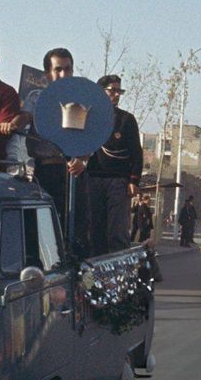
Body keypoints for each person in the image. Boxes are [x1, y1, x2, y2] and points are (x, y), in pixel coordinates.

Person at [28, 47, 90, 257]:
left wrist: (83, 160)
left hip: (73, 173)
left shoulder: (82, 102)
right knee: (46, 230)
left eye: (67, 69)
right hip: (45, 173)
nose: (63, 74)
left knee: (77, 230)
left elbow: (92, 136)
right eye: (57, 70)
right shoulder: (35, 101)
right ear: (47, 73)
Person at [87, 74, 143, 254]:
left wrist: (134, 180)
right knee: (94, 230)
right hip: (93, 178)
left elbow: (136, 152)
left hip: (118, 181)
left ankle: (119, 272)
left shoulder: (126, 119)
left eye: (119, 91)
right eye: (113, 90)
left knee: (117, 232)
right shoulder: (89, 117)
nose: (117, 94)